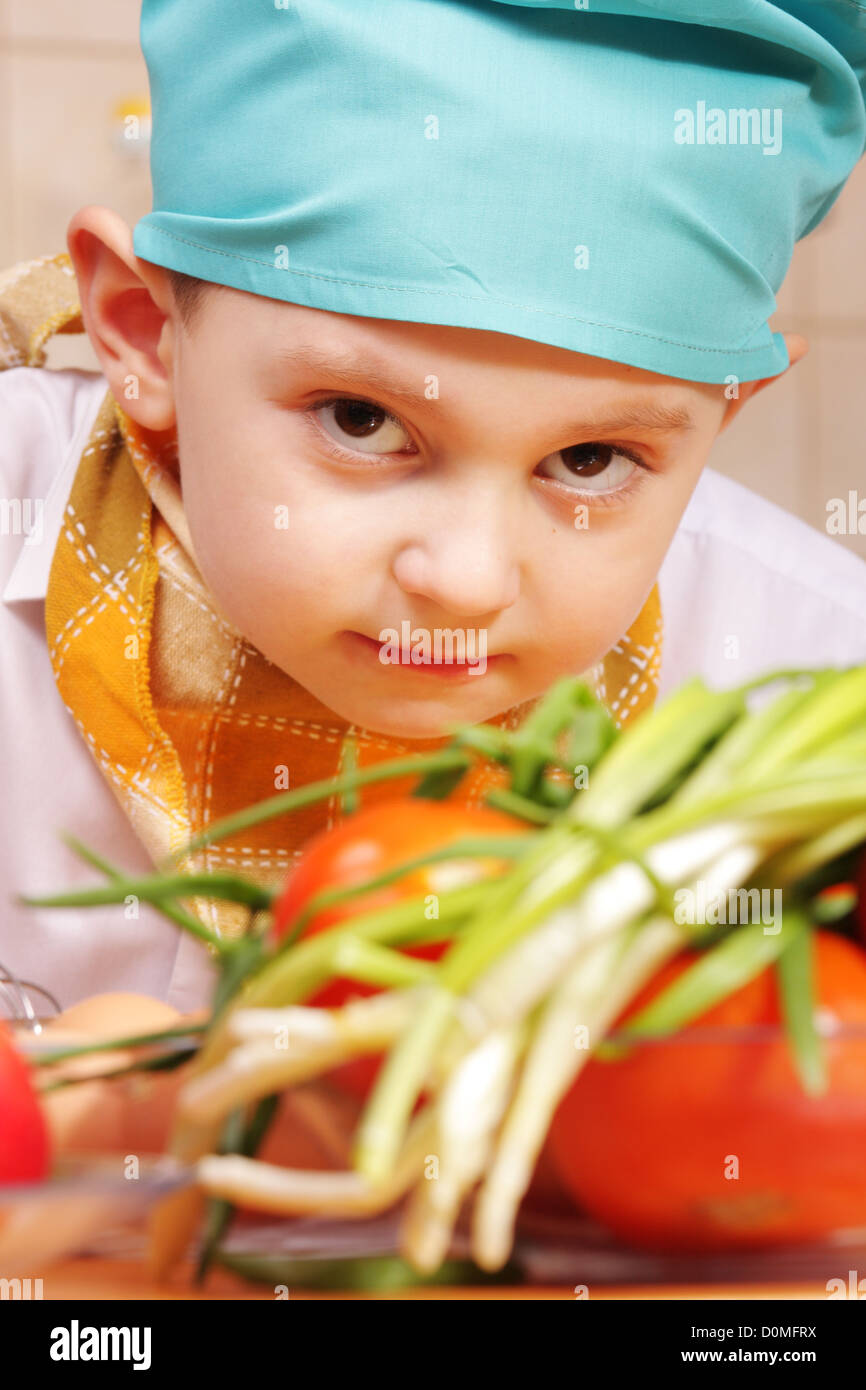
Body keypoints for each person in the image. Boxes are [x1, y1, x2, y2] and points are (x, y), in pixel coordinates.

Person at [1, 0, 865, 1015]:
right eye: (362, 420)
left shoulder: (815, 673)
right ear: (145, 332)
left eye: (588, 459)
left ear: (722, 414)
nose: (462, 579)